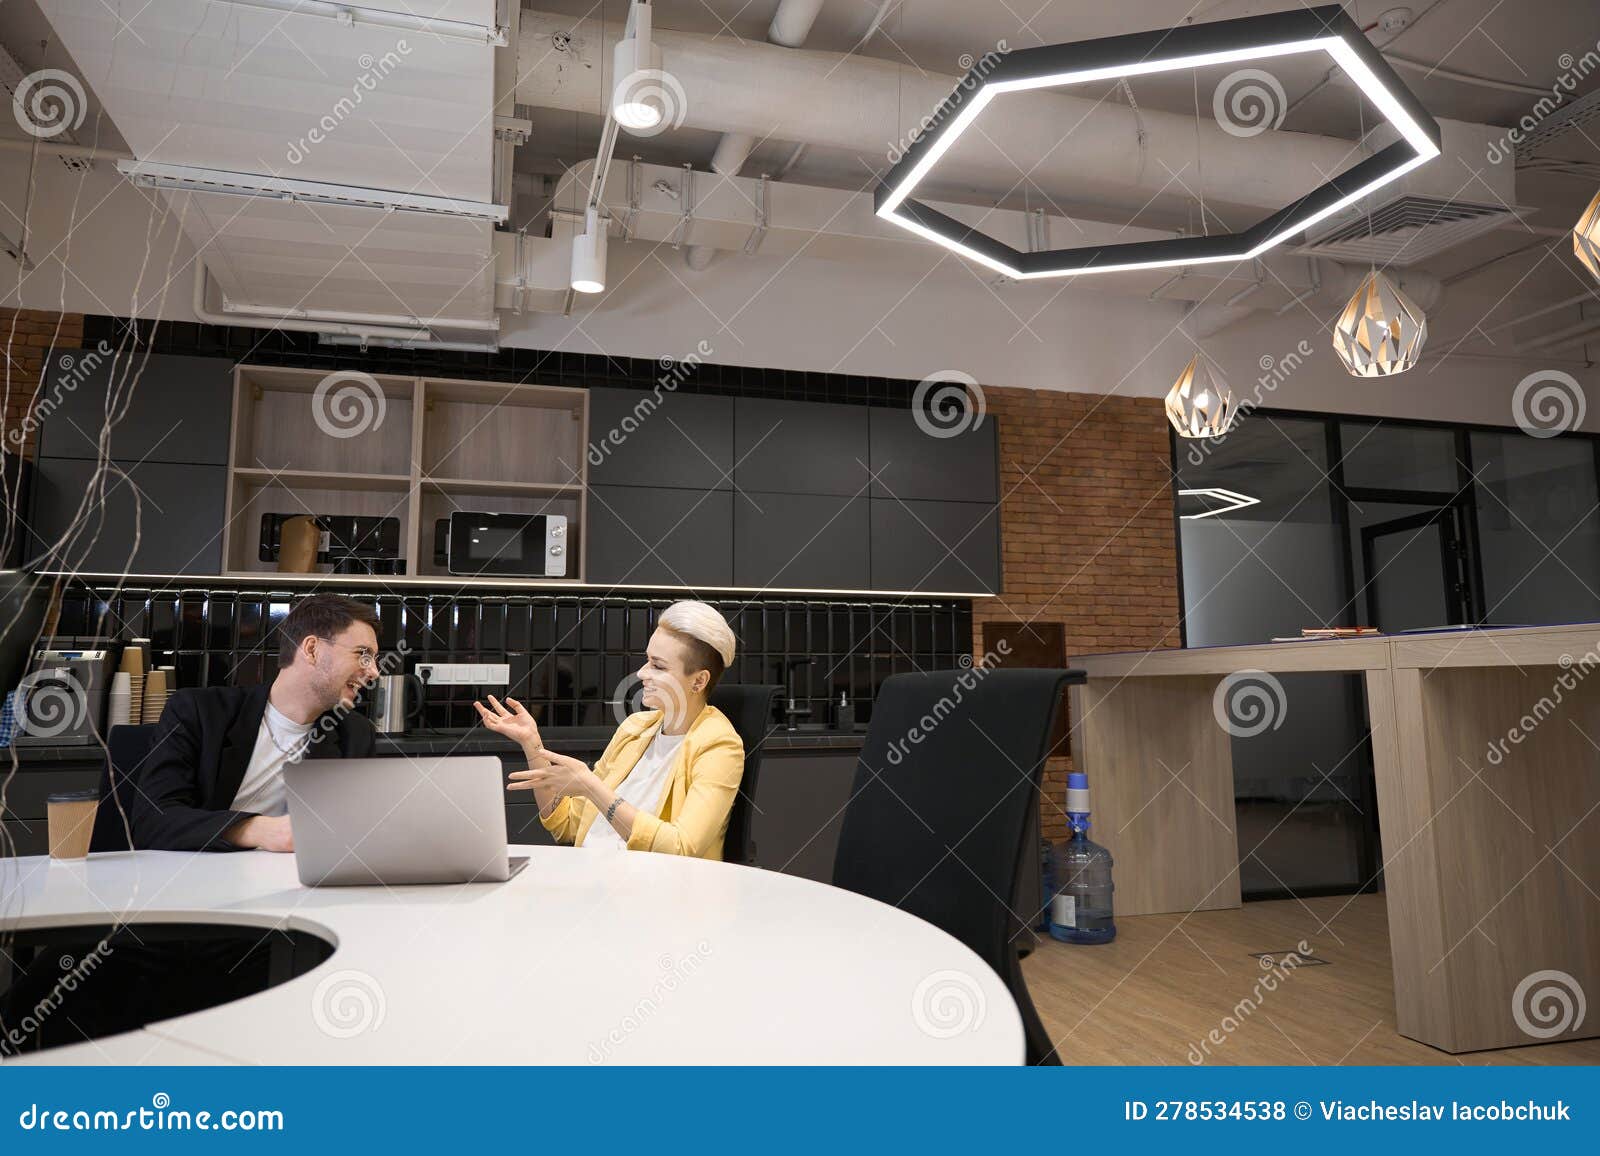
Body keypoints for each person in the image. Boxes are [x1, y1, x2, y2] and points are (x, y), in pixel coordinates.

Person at [475, 600, 745, 860]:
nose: (641, 673)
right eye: (647, 660)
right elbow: (566, 825)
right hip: (593, 878)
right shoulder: (635, 729)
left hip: (656, 893)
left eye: (658, 666)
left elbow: (682, 849)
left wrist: (591, 786)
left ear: (699, 681)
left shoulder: (719, 745)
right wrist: (532, 744)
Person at [122, 594, 381, 853]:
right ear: (312, 649)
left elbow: (356, 831)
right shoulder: (199, 712)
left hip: (297, 884)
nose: (374, 672)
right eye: (363, 655)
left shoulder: (356, 734)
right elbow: (151, 822)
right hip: (196, 878)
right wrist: (260, 830)